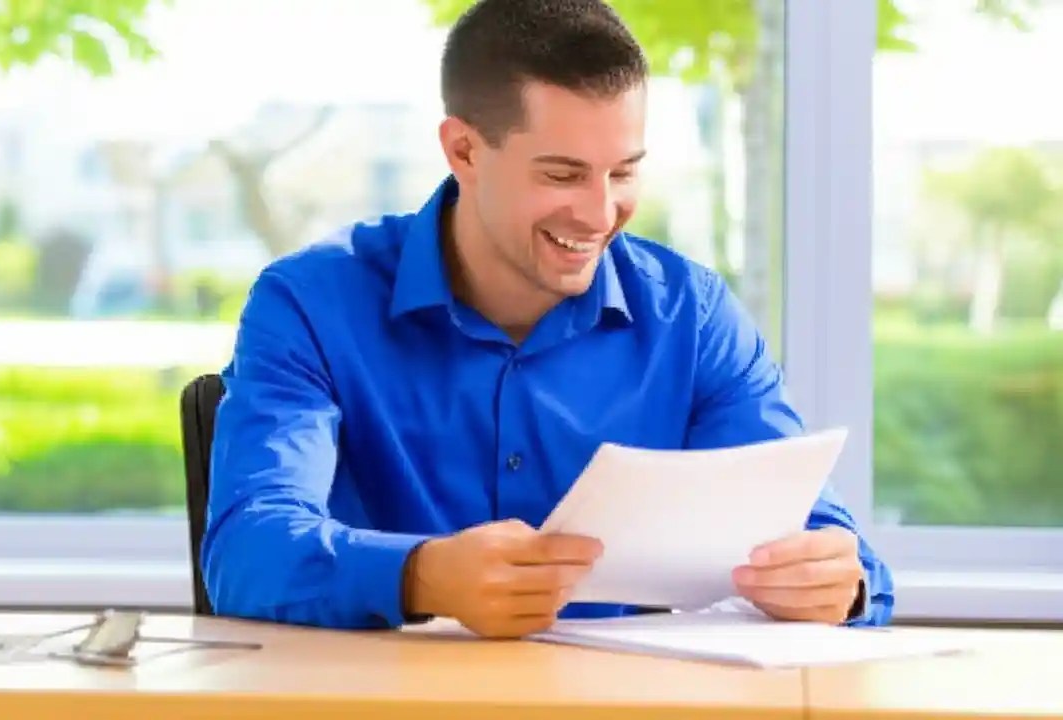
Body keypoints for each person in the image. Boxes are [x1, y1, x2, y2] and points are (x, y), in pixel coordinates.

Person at [201, 0, 894, 639]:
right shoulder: (311, 304)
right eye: (562, 175)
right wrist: (423, 575)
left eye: (623, 173)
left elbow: (827, 540)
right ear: (464, 151)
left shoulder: (693, 316)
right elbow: (247, 549)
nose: (599, 215)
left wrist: (839, 584)